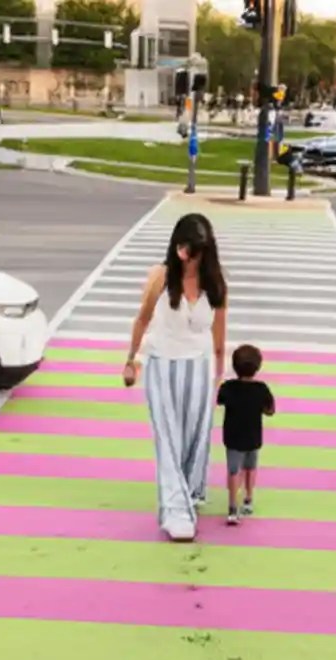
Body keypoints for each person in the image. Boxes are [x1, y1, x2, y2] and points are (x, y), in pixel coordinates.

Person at [123, 214, 228, 542]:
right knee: (167, 439)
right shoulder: (160, 277)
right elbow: (142, 320)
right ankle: (175, 511)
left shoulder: (216, 285)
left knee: (194, 439)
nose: (185, 254)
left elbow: (219, 337)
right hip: (162, 366)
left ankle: (188, 492)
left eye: (192, 250)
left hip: (199, 368)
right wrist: (131, 361)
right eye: (182, 247)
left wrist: (219, 376)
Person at [218, 345, 275, 526]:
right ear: (257, 367)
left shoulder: (228, 387)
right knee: (250, 468)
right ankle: (248, 499)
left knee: (233, 471)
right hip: (253, 436)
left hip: (233, 437)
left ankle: (232, 506)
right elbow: (270, 410)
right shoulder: (261, 389)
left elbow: (220, 400)